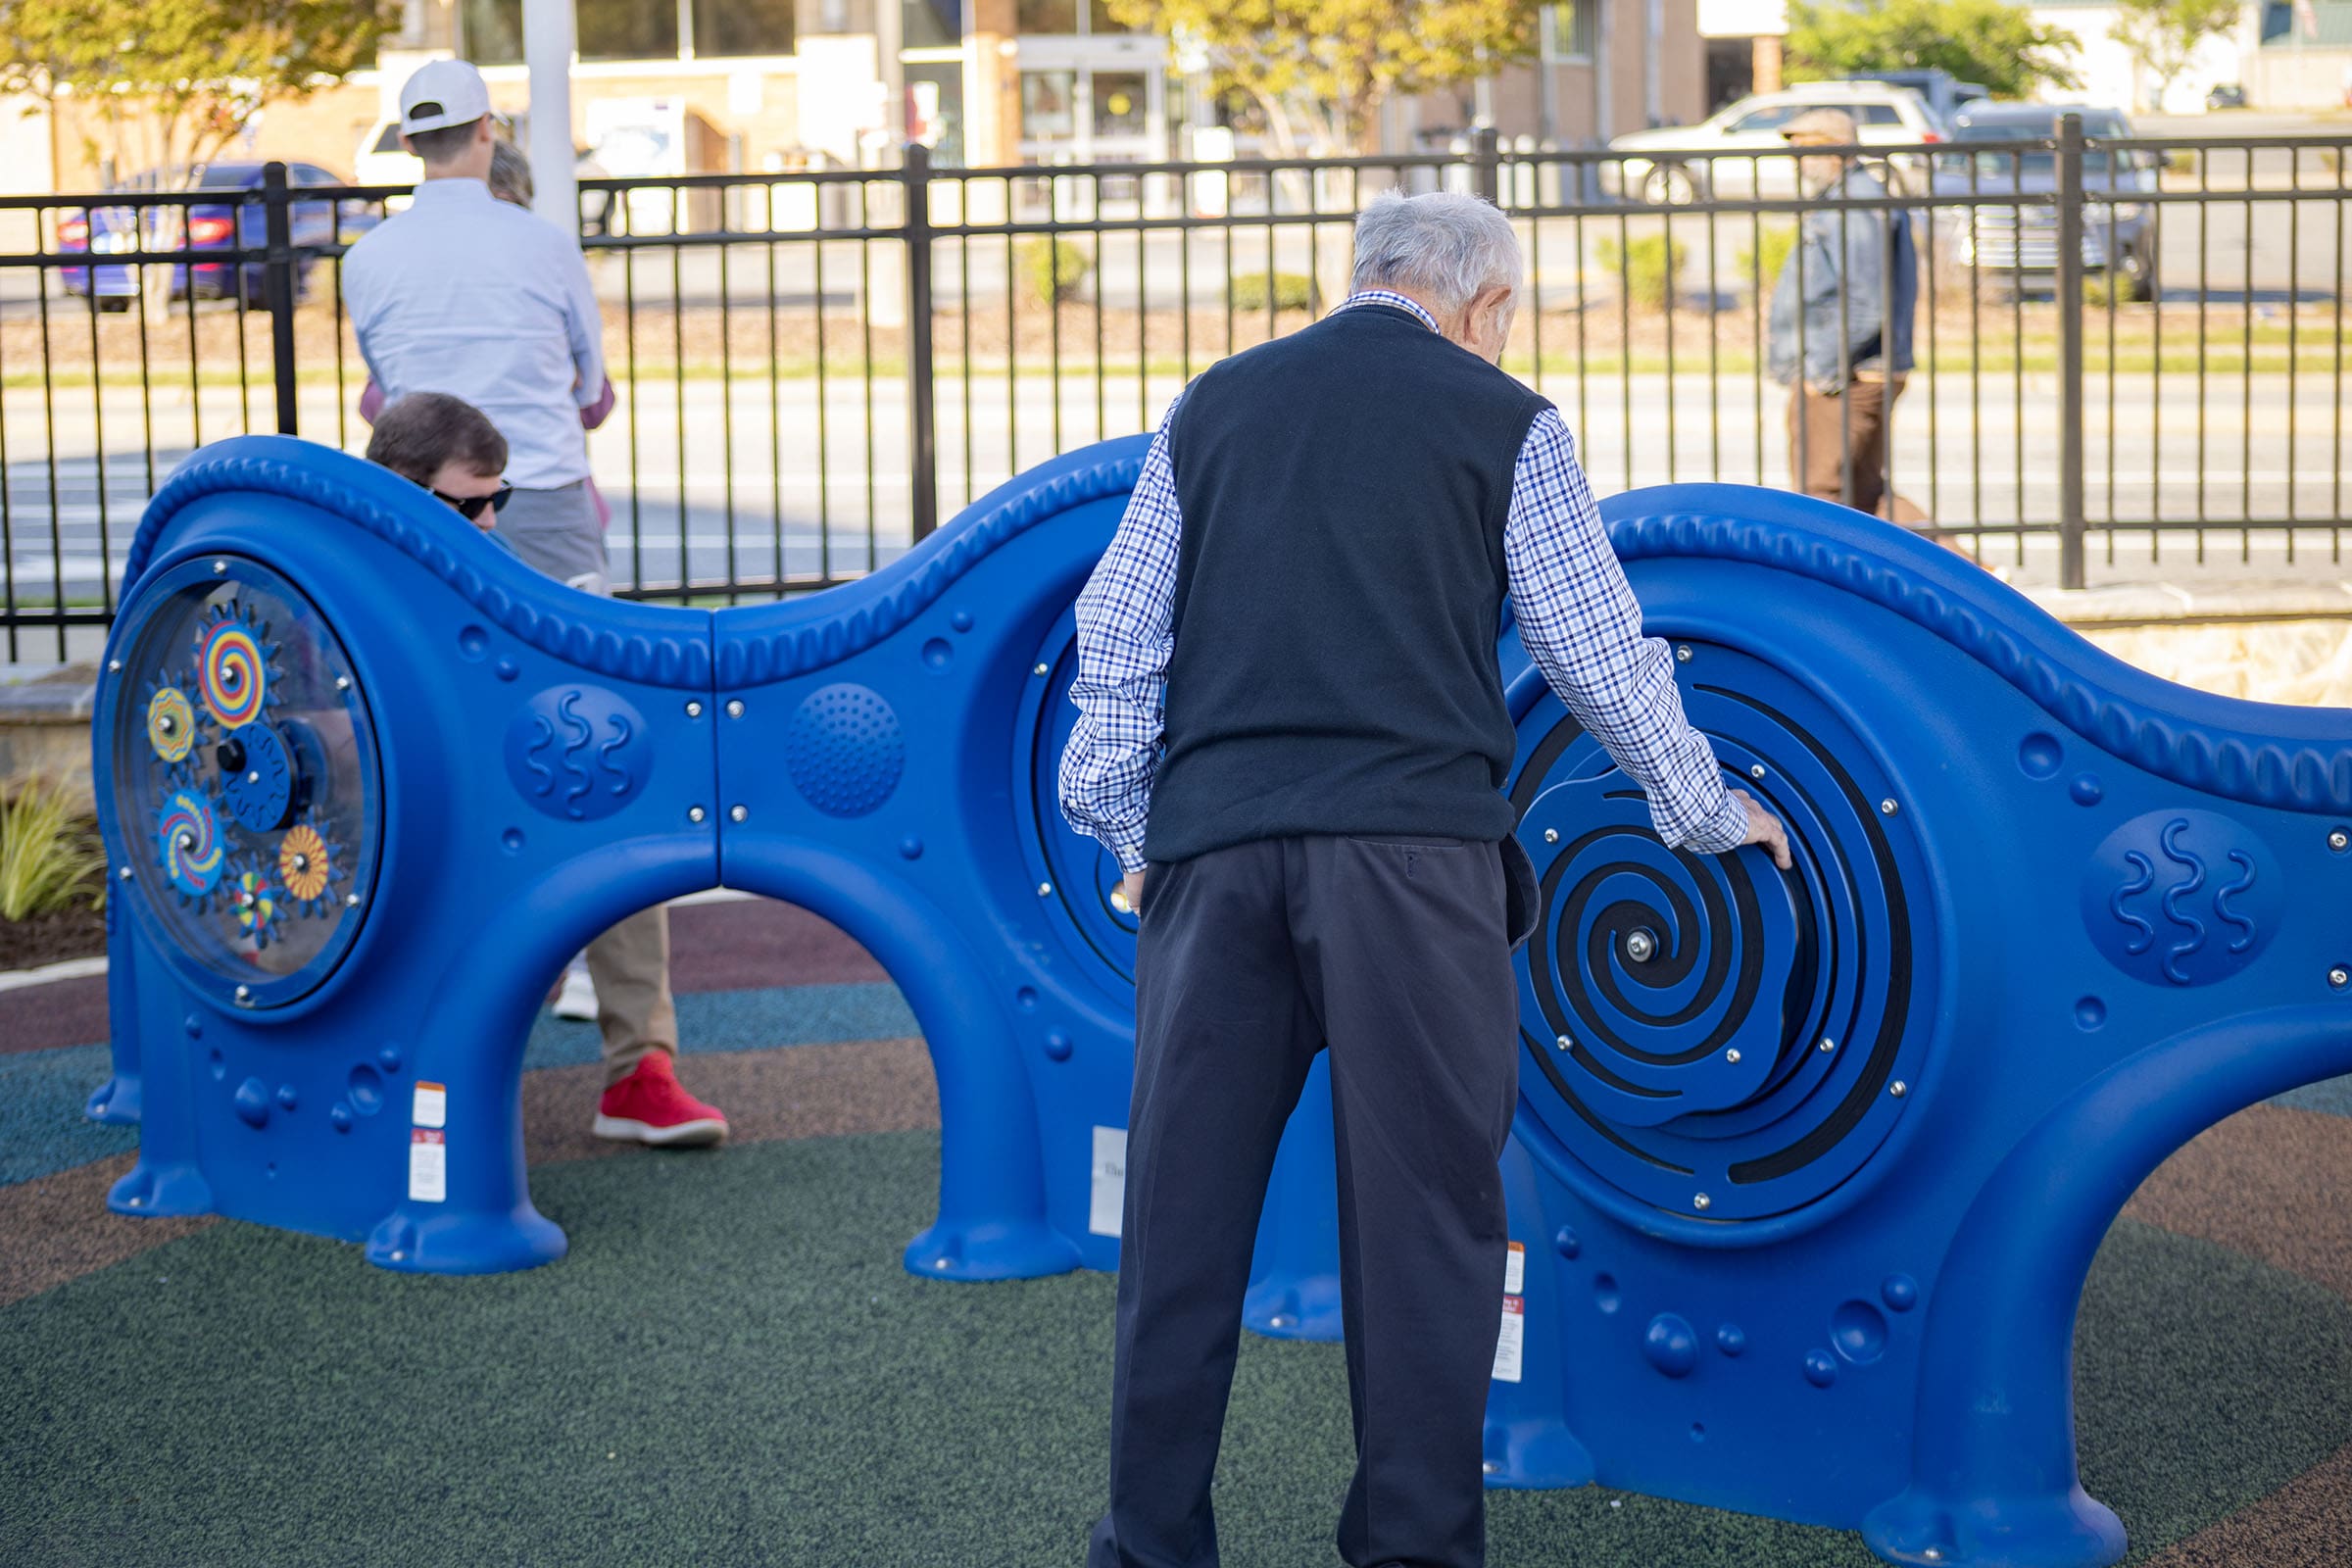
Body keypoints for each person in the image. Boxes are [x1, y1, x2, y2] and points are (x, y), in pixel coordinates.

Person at [1060, 190, 1791, 1568]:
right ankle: (1410, 1550)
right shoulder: (1506, 421)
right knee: (1427, 1240)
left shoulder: (1210, 407)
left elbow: (1119, 639)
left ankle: (1150, 1545)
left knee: (1180, 1224)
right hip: (1413, 868)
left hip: (1217, 858)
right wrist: (1704, 809)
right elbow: (1595, 652)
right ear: (1488, 303)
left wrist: (1136, 838)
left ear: (1360, 279)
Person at [342, 65, 726, 1150]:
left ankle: (431, 1064)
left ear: (407, 142)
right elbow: (591, 393)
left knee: (426, 761)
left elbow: (391, 402)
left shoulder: (368, 260)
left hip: (410, 512)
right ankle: (635, 1064)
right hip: (542, 505)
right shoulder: (540, 243)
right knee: (606, 758)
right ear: (488, 130)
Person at [1766, 107, 1919, 518]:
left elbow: (1866, 298)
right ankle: (1977, 577)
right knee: (1866, 497)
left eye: (1804, 148)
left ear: (1835, 150)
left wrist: (1823, 371)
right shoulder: (1848, 199)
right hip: (1853, 370)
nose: (1796, 159)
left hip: (1845, 376)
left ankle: (1972, 577)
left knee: (1821, 496)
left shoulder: (1853, 203)